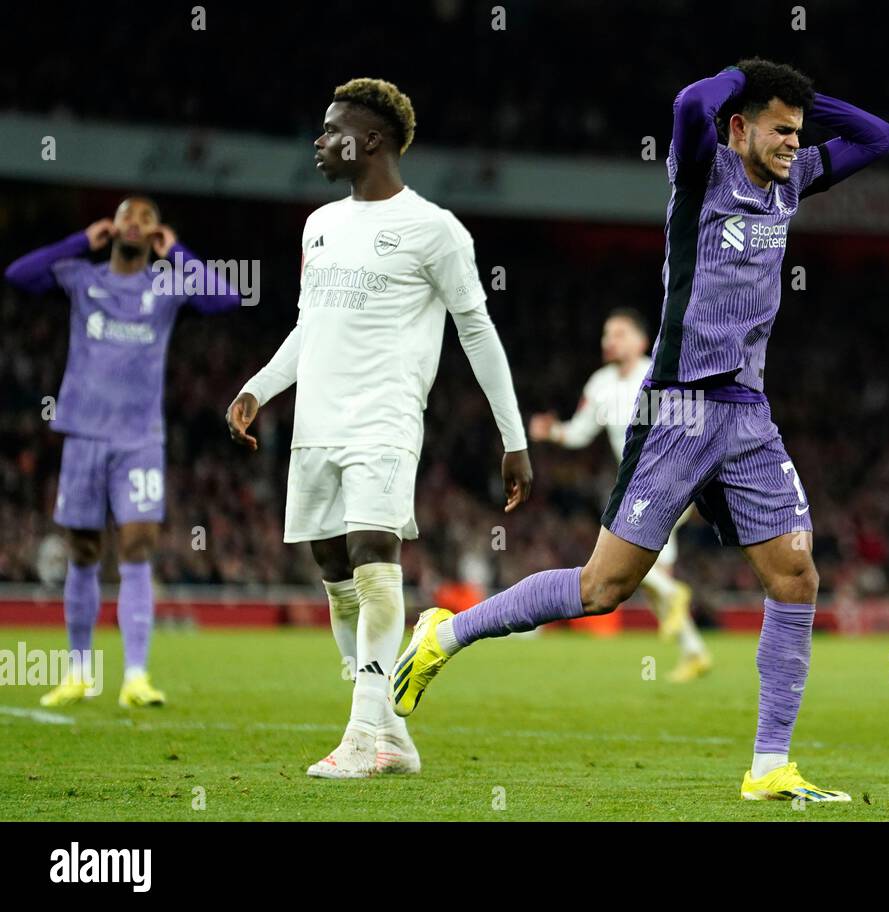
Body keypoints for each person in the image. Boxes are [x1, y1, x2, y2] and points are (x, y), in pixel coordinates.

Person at [393, 59, 889, 801]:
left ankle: (769, 767)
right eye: (778, 130)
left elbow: (878, 136)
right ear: (738, 127)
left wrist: (804, 107)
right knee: (604, 589)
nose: (794, 142)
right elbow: (693, 100)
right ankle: (444, 633)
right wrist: (747, 77)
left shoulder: (792, 182)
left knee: (796, 576)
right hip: (679, 411)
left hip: (748, 414)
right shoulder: (701, 171)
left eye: (799, 132)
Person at [226, 78, 531, 778]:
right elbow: (309, 327)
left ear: (370, 140)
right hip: (317, 422)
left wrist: (512, 437)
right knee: (336, 572)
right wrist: (257, 387)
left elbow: (478, 332)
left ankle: (362, 736)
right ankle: (390, 732)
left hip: (386, 417)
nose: (319, 140)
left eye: (332, 129)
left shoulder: (436, 229)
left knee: (372, 551)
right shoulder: (320, 225)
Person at [4, 196, 242, 708]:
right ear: (111, 226)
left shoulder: (165, 286)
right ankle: (79, 673)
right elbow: (18, 274)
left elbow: (224, 299)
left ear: (156, 233)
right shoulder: (81, 276)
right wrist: (78, 242)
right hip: (83, 435)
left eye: (147, 220)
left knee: (137, 547)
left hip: (139, 440)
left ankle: (135, 676)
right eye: (126, 216)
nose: (134, 224)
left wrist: (176, 251)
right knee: (84, 552)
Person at [530, 307, 712, 681]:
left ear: (642, 340)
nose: (609, 340)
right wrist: (552, 432)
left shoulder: (660, 373)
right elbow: (580, 433)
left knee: (625, 561)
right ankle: (693, 650)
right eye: (606, 334)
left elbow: (694, 423)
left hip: (673, 479)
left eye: (619, 333)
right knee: (649, 574)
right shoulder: (599, 384)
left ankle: (674, 595)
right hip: (638, 487)